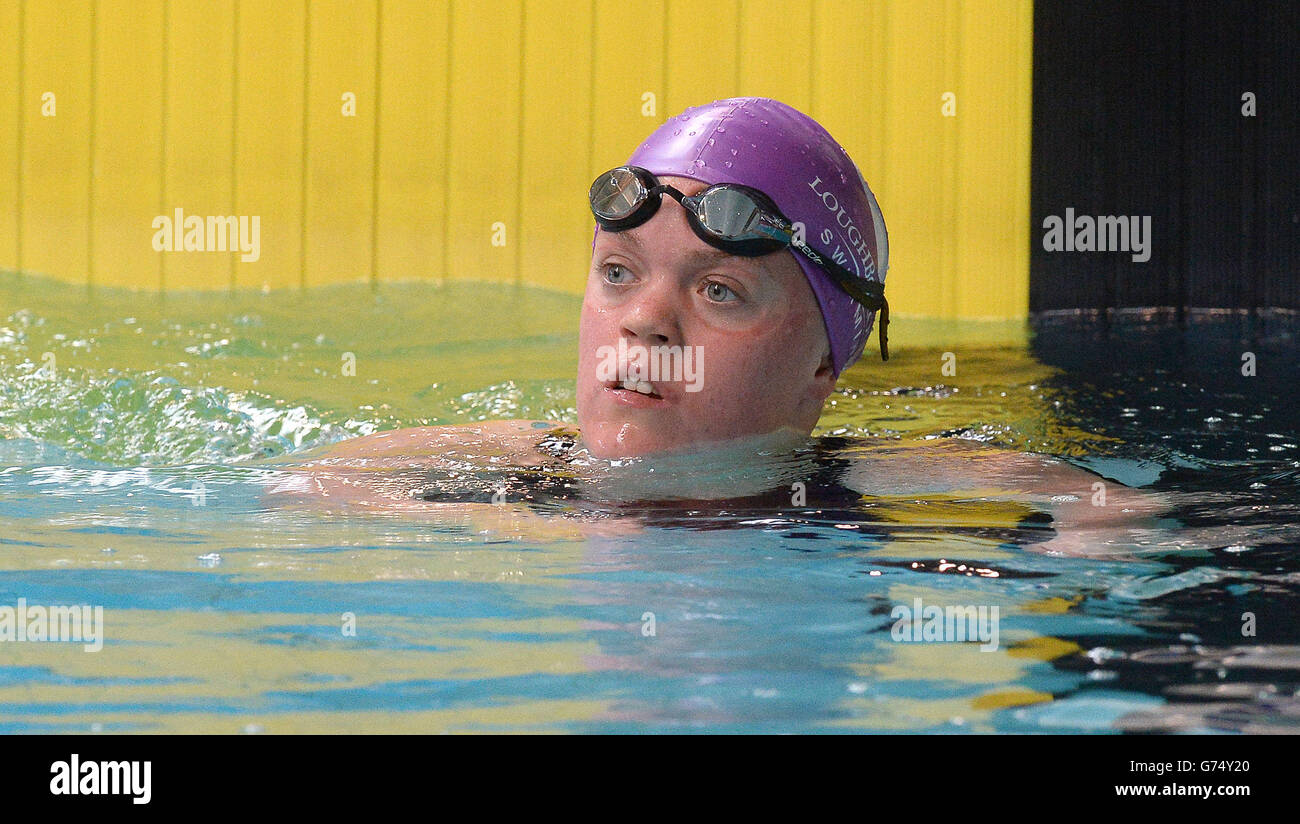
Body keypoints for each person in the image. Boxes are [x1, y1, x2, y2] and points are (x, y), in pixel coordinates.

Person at [273, 97, 1171, 554]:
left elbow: (1112, 507)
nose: (645, 325)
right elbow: (308, 485)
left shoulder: (848, 480)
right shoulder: (530, 466)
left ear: (821, 371)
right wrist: (538, 530)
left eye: (719, 293)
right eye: (618, 275)